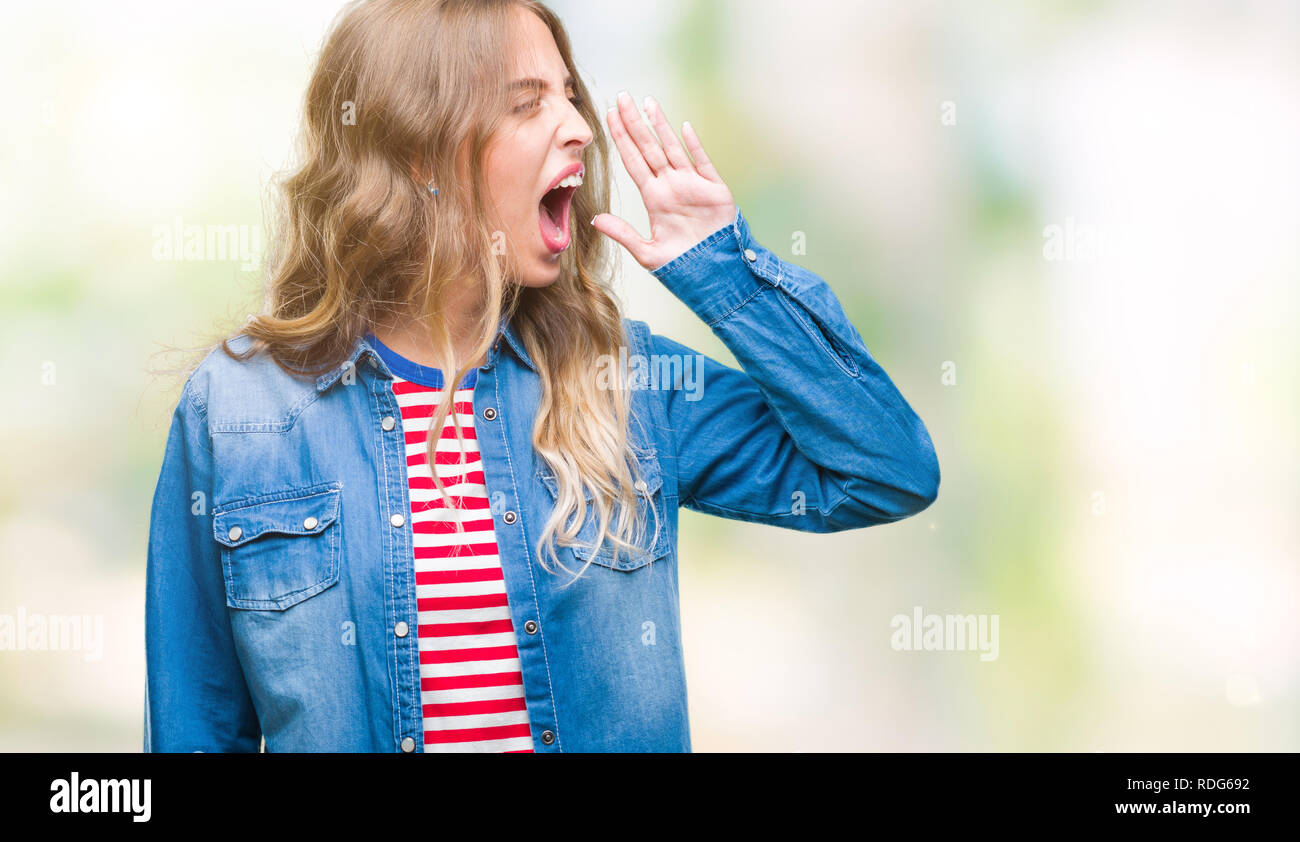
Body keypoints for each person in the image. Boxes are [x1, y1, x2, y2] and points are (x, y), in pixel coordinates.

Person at [144, 0, 940, 753]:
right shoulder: (237, 408)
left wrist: (723, 276)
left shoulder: (625, 381)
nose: (579, 127)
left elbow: (884, 471)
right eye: (528, 104)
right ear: (418, 149)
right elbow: (194, 724)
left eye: (569, 96)